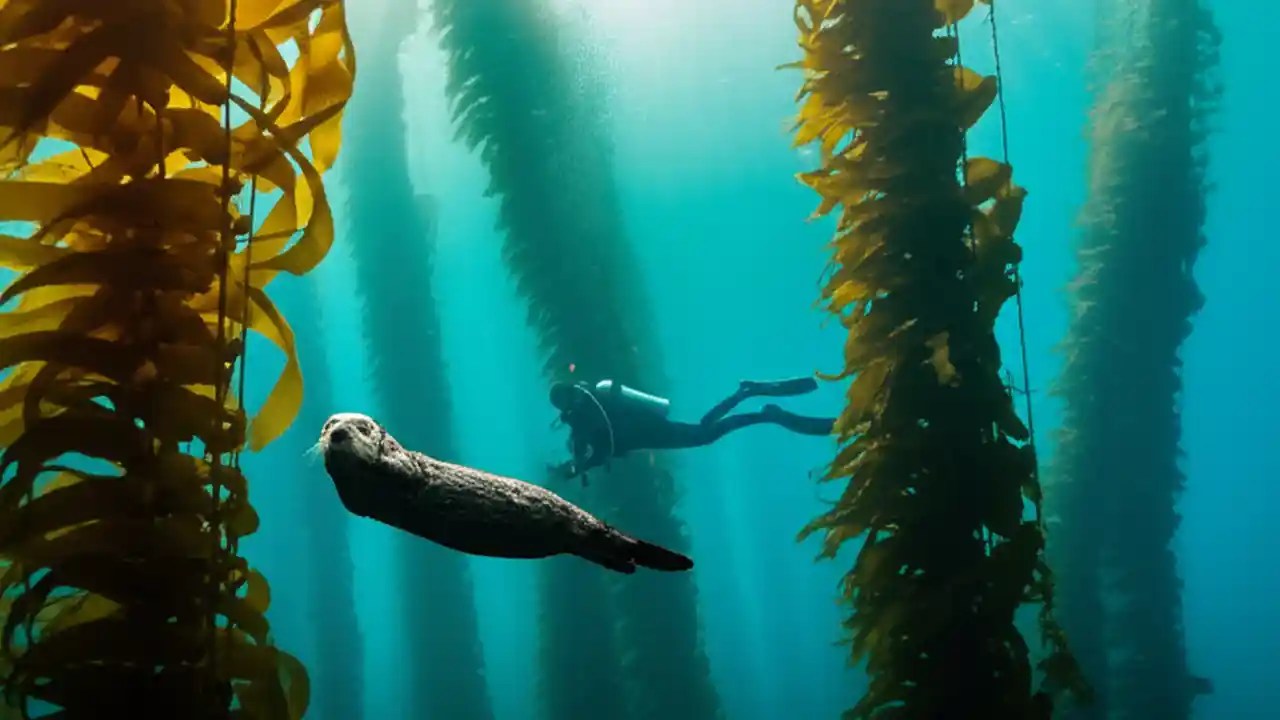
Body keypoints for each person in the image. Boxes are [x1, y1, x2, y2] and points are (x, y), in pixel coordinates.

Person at [548, 376, 835, 481]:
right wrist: (577, 464)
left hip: (652, 432)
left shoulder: (587, 413)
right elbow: (597, 449)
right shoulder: (589, 405)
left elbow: (600, 450)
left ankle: (760, 409)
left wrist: (575, 469)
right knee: (704, 430)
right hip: (652, 429)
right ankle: (748, 396)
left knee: (704, 434)